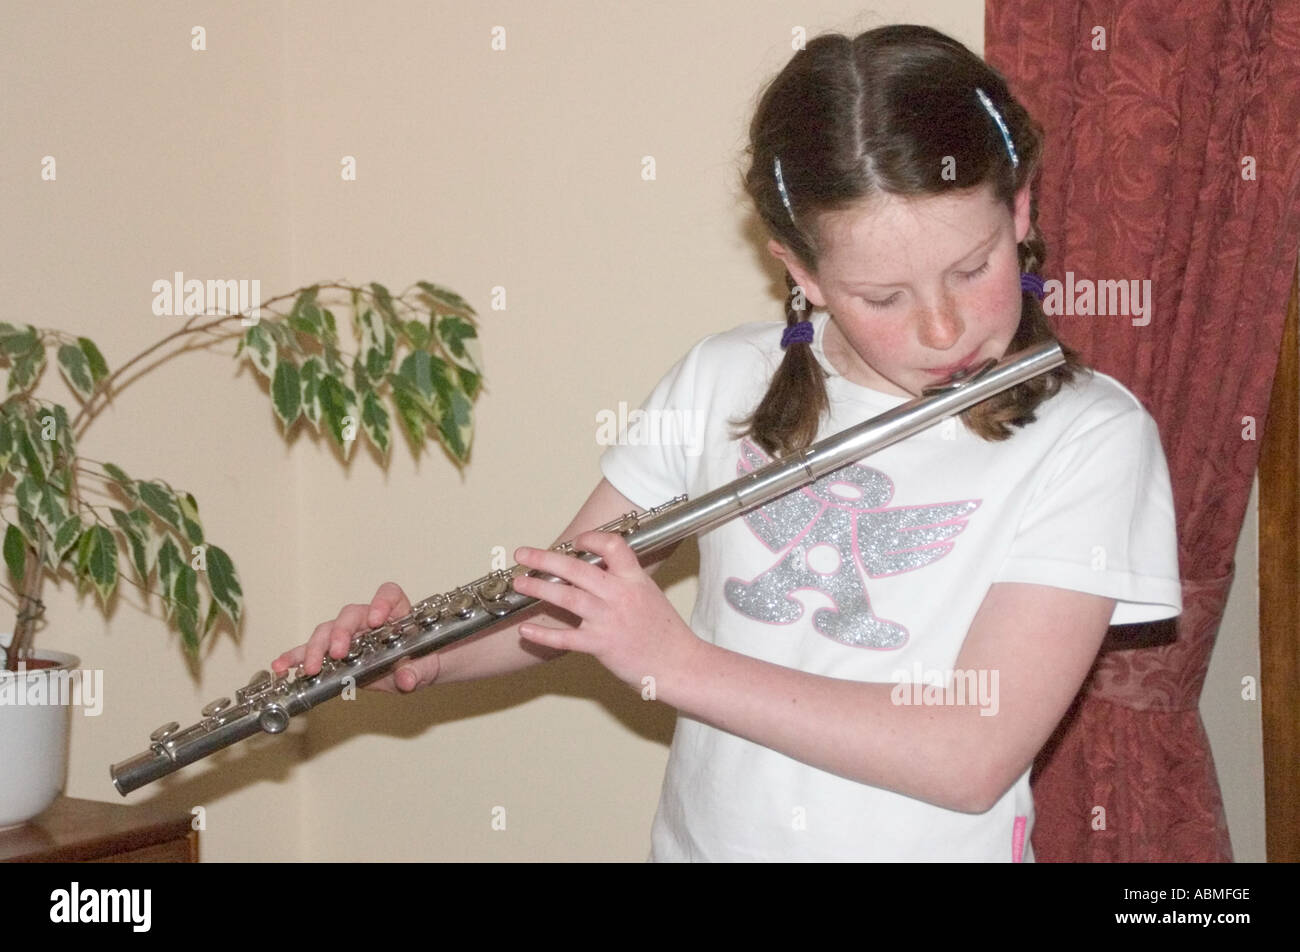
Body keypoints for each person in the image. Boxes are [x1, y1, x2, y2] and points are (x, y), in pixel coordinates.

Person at [272, 24, 1181, 861]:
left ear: (1020, 210)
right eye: (884, 296)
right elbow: (563, 607)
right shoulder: (720, 380)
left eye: (972, 269)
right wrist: (427, 654)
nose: (943, 330)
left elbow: (968, 751)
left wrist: (677, 664)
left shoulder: (1092, 439)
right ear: (801, 272)